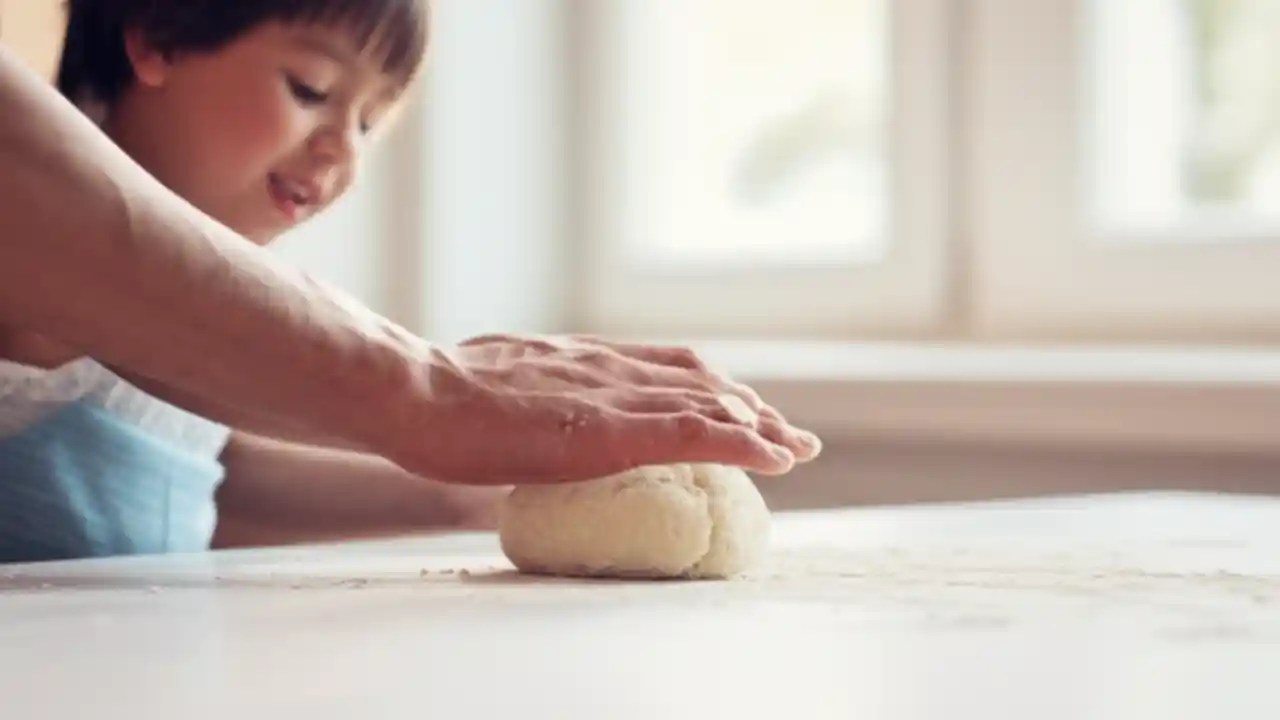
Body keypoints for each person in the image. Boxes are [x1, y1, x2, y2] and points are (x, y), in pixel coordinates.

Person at [0, 0, 821, 563]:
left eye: (369, 122)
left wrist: (481, 496)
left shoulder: (194, 344)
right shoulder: (43, 281)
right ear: (158, 37)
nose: (343, 152)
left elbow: (200, 477)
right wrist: (432, 388)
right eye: (311, 90)